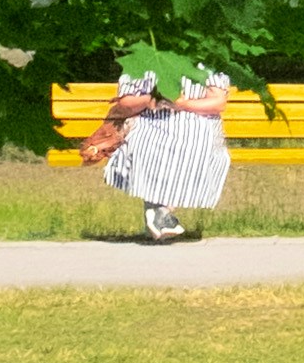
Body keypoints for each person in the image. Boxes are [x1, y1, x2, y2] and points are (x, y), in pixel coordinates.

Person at [79, 58, 233, 243]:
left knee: (189, 144)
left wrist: (181, 103)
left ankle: (159, 212)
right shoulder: (144, 59)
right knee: (165, 145)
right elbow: (126, 103)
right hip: (155, 127)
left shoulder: (205, 59)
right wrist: (154, 97)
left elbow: (217, 102)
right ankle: (161, 213)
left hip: (193, 130)